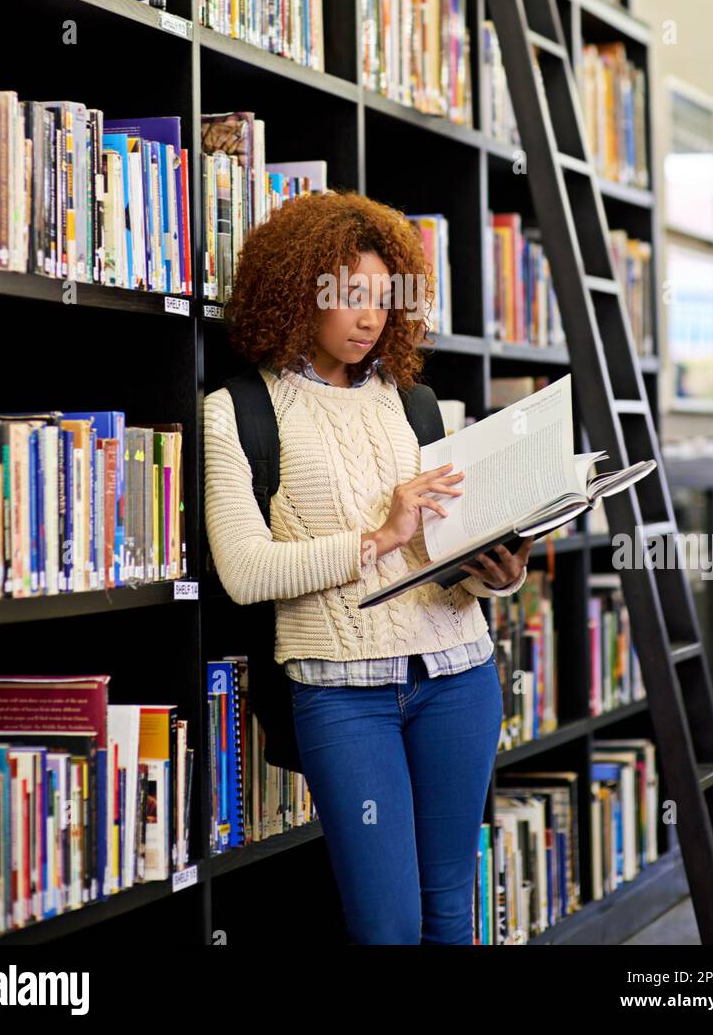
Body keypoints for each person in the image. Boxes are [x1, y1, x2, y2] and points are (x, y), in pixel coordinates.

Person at [204, 188, 533, 944]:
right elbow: (247, 572)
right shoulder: (239, 409)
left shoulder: (413, 404)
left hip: (459, 676)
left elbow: (438, 554)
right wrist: (381, 534)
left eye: (382, 300)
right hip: (341, 694)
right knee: (384, 924)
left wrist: (499, 570)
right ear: (295, 291)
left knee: (451, 906)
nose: (367, 318)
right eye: (348, 296)